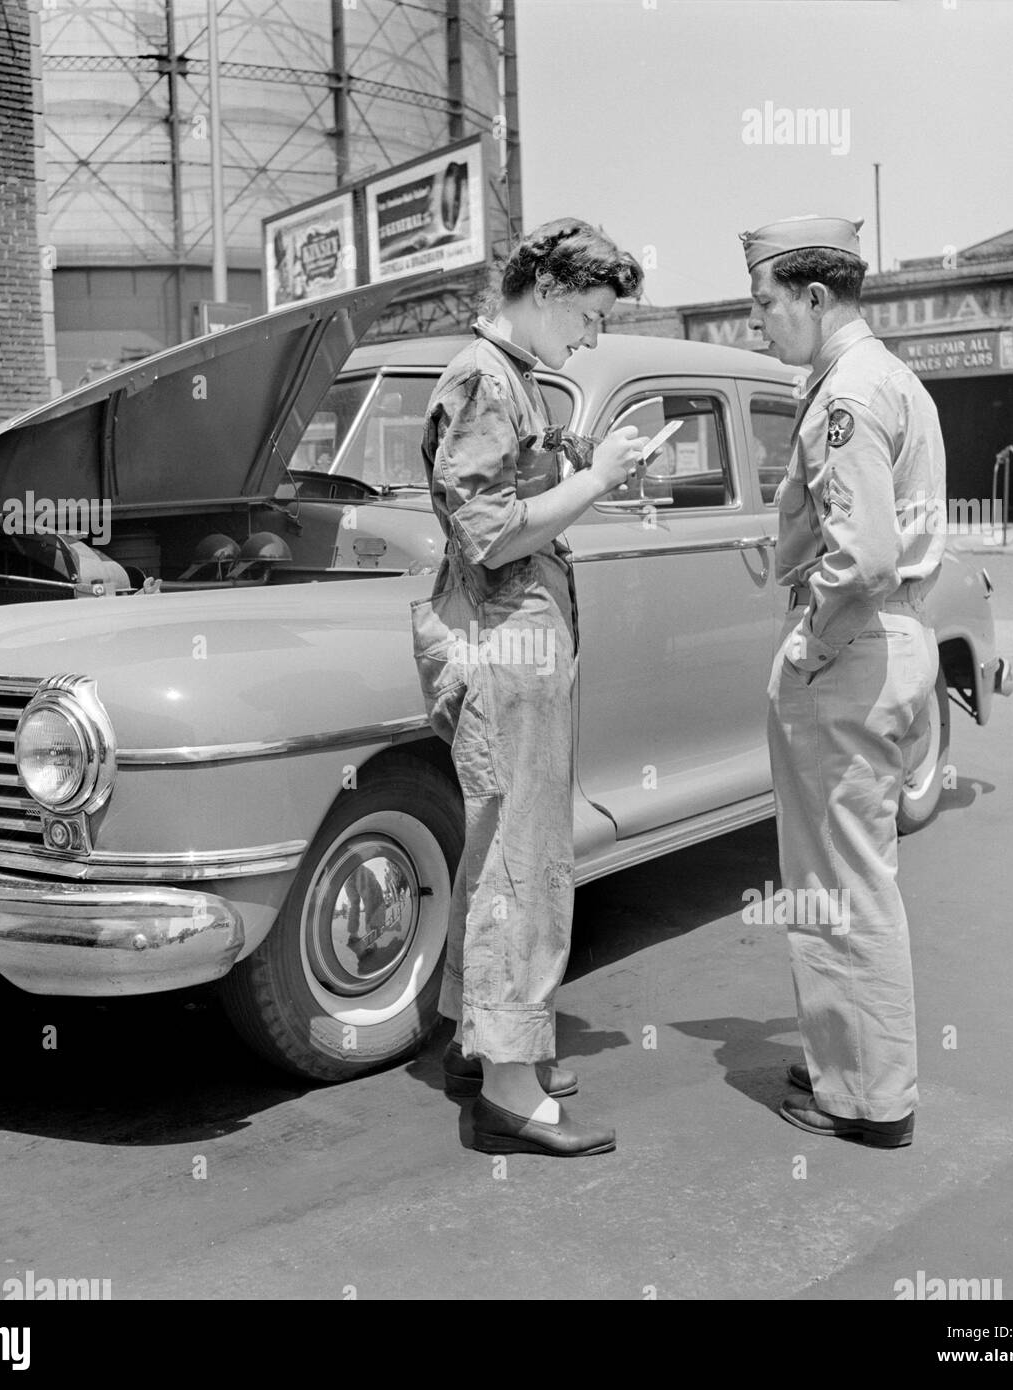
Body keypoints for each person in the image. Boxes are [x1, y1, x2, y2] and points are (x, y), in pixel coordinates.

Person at [411, 218, 648, 1157]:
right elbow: (490, 532)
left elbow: (504, 491)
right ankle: (511, 1091)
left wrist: (579, 457)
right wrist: (595, 480)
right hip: (504, 639)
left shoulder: (504, 375)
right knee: (526, 857)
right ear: (548, 292)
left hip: (508, 636)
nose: (590, 338)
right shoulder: (482, 377)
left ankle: (488, 1042)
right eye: (588, 317)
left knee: (500, 847)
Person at [741, 215, 946, 1147]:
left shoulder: (845, 398)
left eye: (765, 303)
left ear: (814, 298)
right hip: (892, 643)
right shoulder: (887, 378)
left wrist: (807, 642)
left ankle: (866, 1100)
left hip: (851, 650)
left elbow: (860, 560)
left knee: (840, 884)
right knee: (849, 878)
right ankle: (849, 1062)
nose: (756, 324)